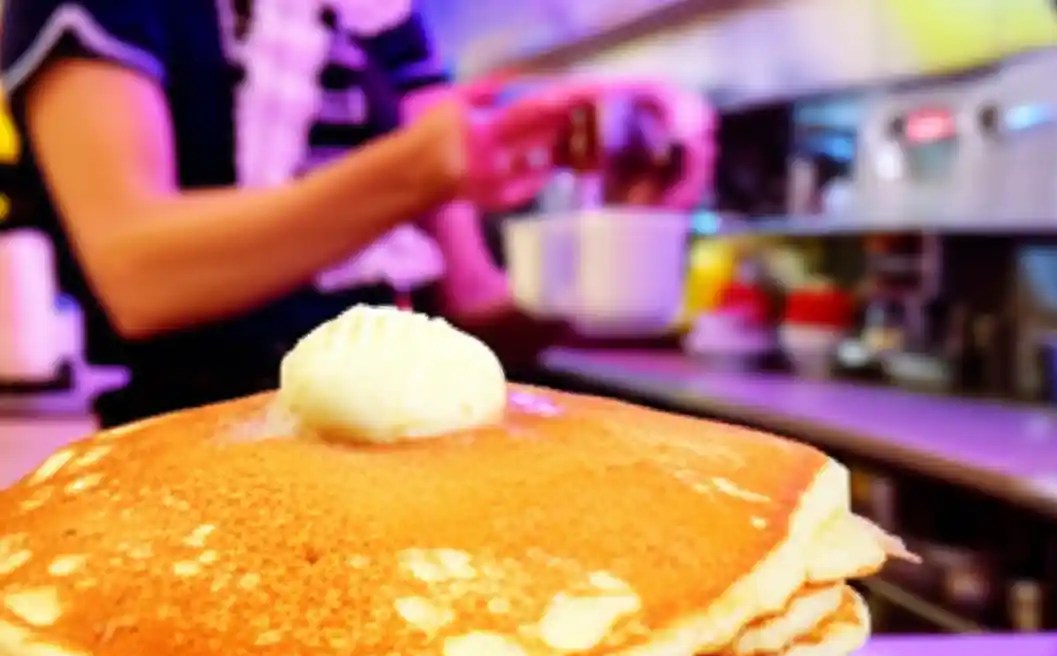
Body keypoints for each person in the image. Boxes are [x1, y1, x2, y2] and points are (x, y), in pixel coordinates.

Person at [0, 0, 713, 427]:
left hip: (406, 464)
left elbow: (476, 308)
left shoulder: (384, 23)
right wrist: (415, 171)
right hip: (184, 447)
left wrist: (634, 222)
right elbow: (137, 274)